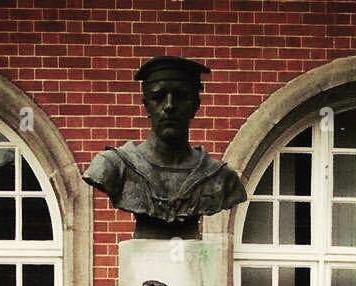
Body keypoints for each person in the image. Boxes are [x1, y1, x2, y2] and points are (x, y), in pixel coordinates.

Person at [83, 56, 246, 237]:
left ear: (195, 105)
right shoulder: (113, 166)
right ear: (146, 106)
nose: (169, 106)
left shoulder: (222, 179)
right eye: (158, 97)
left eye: (180, 96)